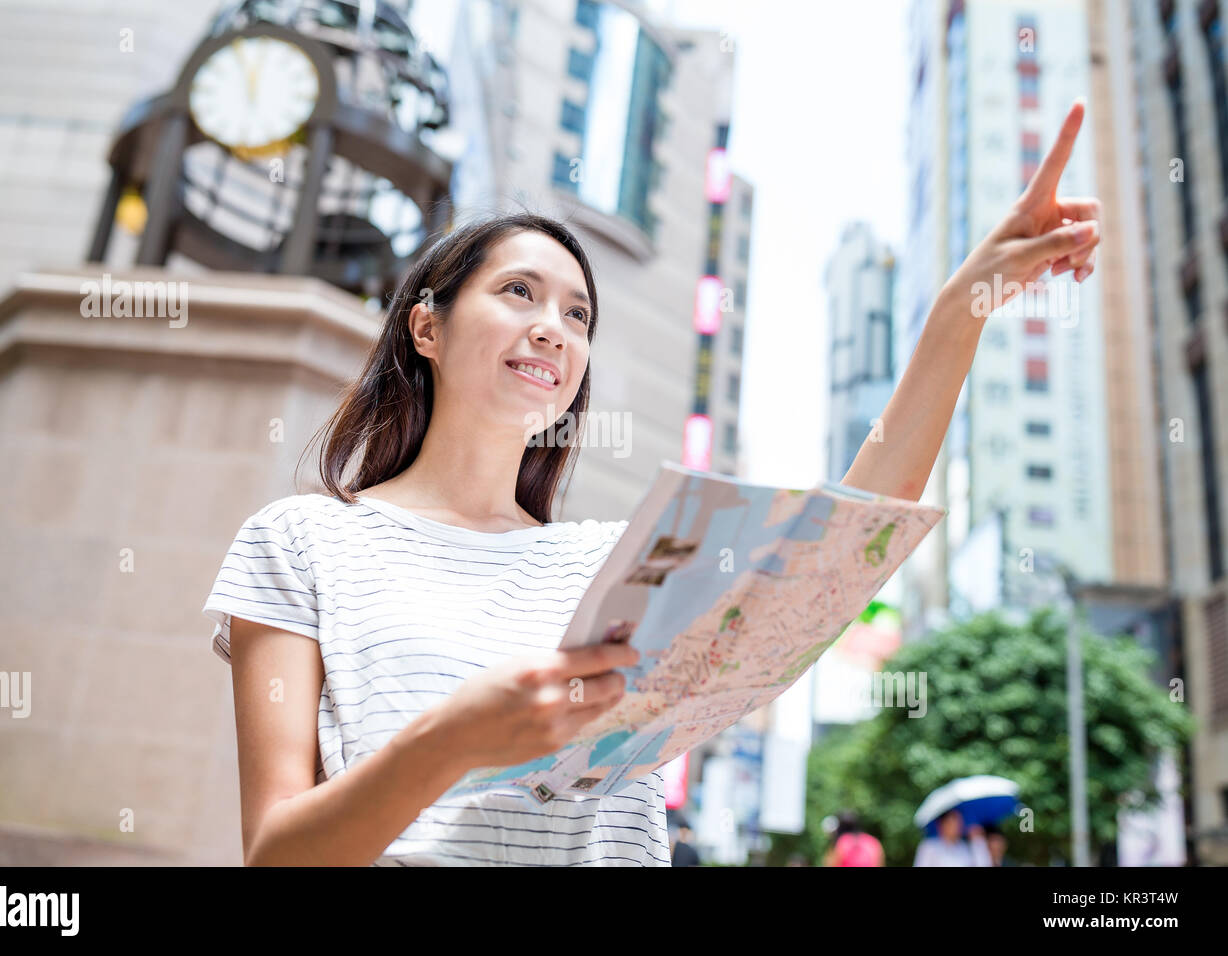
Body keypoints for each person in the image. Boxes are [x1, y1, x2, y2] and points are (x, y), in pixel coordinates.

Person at [202, 99, 1101, 866]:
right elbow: (275, 851)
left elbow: (841, 549)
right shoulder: (302, 542)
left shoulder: (613, 567)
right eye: (518, 292)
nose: (553, 327)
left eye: (577, 312)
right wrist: (448, 743)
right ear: (426, 330)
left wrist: (965, 304)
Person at [913, 809, 993, 867]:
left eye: (959, 821)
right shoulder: (929, 846)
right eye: (953, 821)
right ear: (941, 824)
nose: (957, 826)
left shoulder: (963, 847)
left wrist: (978, 842)